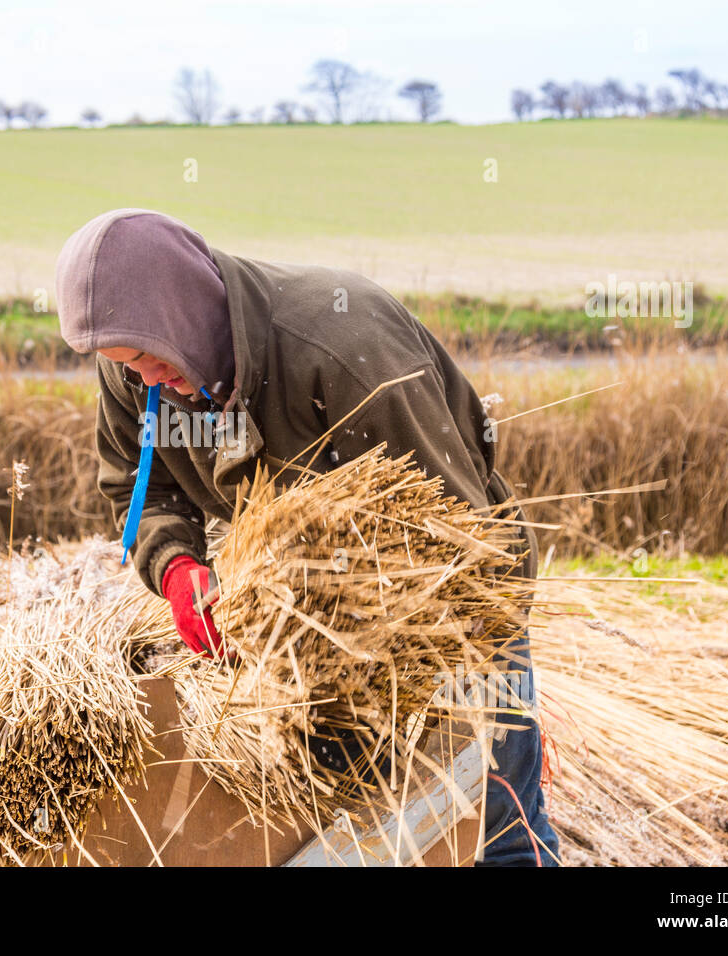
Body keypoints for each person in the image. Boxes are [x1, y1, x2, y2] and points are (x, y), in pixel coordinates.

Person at [54, 207, 560, 866]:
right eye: (126, 364)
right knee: (360, 837)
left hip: (451, 622)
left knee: (493, 833)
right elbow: (142, 490)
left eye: (148, 355)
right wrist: (177, 567)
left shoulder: (342, 345)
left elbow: (455, 534)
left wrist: (391, 646)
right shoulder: (137, 369)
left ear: (181, 308)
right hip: (315, 636)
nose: (144, 378)